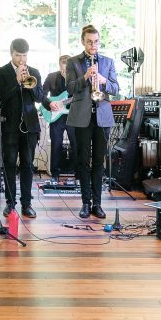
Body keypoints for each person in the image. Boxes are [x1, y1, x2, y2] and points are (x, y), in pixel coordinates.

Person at [66, 25, 120, 220]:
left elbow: (116, 88)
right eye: (89, 41)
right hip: (82, 117)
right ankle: (85, 203)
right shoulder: (73, 62)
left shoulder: (108, 62)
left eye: (96, 41)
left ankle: (97, 203)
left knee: (99, 162)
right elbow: (70, 88)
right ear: (83, 42)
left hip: (102, 117)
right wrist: (86, 77)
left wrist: (103, 80)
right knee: (82, 162)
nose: (93, 45)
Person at [0, 38, 43, 219]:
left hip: (30, 126)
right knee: (9, 165)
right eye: (17, 55)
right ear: (11, 53)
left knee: (27, 166)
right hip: (10, 127)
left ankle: (27, 204)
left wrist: (27, 84)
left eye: (24, 55)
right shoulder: (2, 72)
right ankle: (10, 203)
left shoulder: (35, 72)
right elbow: (2, 97)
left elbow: (39, 97)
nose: (21, 59)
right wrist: (16, 81)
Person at [42, 54, 77, 182]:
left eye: (68, 67)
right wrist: (50, 104)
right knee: (56, 145)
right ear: (59, 65)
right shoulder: (51, 77)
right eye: (63, 66)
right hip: (56, 116)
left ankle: (78, 175)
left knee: (76, 145)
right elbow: (42, 94)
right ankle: (55, 175)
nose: (65, 69)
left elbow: (79, 96)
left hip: (73, 116)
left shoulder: (76, 78)